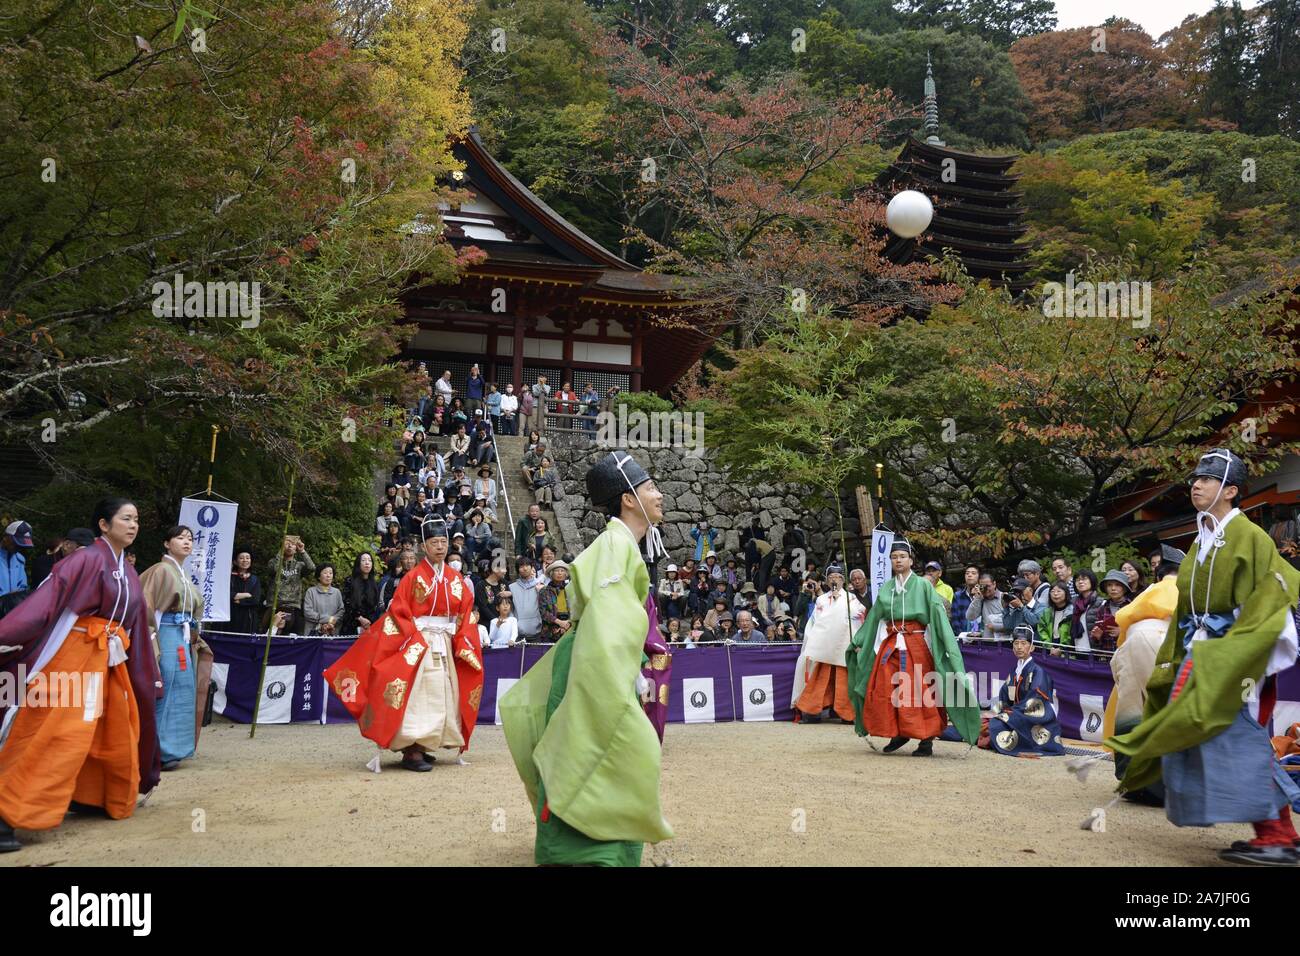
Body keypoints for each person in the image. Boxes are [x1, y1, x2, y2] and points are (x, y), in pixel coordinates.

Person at [1108, 449, 1300, 866]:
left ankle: (1279, 837)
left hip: (1231, 656)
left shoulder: (1252, 537)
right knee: (1211, 736)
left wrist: (1239, 651)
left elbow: (1275, 598)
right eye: (1195, 478)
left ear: (1231, 491)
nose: (1196, 484)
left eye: (1208, 480)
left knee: (1236, 739)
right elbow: (1184, 609)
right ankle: (1276, 832)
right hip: (1202, 652)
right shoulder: (1202, 538)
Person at [501, 450, 674, 866]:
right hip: (597, 663)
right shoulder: (615, 545)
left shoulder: (621, 545)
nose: (660, 495)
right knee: (591, 750)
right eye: (650, 488)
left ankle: (608, 848)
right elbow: (608, 616)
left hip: (600, 659)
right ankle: (588, 854)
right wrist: (624, 671)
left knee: (604, 753)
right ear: (628, 498)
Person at [0, 498, 163, 853]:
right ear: (104, 525)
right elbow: (45, 602)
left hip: (109, 660)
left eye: (136, 519)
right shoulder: (85, 558)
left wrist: (145, 671)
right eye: (125, 518)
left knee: (115, 724)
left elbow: (133, 623)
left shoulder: (128, 570)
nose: (133, 525)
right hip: (75, 655)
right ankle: (7, 810)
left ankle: (94, 795)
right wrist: (6, 633)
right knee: (56, 732)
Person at [325, 516, 484, 772]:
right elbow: (398, 611)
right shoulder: (413, 578)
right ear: (424, 545)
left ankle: (427, 742)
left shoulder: (456, 580)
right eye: (434, 542)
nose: (440, 547)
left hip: (445, 640)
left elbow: (466, 613)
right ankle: (412, 749)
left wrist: (462, 639)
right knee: (418, 694)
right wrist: (415, 637)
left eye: (444, 542)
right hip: (418, 641)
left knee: (444, 692)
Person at [847, 538, 980, 756]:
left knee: (921, 690)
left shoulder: (923, 585)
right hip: (891, 643)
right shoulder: (887, 588)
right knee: (886, 687)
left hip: (916, 642)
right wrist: (859, 641)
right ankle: (898, 732)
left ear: (911, 560)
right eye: (894, 557)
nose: (898, 560)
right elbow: (874, 619)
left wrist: (946, 644)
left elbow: (938, 615)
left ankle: (926, 739)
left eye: (902, 556)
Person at [1105, 549, 1182, 807]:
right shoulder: (1189, 591)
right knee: (1164, 716)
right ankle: (1163, 788)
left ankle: (1132, 783)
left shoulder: (1150, 591)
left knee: (1131, 714)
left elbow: (1123, 623)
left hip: (1133, 644)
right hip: (1165, 646)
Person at [138, 524, 210, 771]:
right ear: (167, 543)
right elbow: (148, 608)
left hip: (182, 636)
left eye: (190, 538)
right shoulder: (161, 570)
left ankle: (175, 749)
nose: (187, 542)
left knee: (183, 689)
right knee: (164, 687)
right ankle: (154, 749)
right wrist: (150, 639)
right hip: (165, 633)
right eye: (180, 538)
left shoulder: (183, 574)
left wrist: (194, 633)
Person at [793, 564, 865, 724]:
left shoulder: (851, 599)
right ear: (826, 580)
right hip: (825, 647)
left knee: (844, 681)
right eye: (831, 577)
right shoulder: (821, 599)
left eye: (838, 577)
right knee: (820, 679)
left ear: (843, 581)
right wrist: (813, 641)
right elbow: (815, 622)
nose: (834, 580)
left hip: (843, 645)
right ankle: (812, 713)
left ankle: (848, 714)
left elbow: (859, 618)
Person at [986, 625, 1064, 756]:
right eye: (1016, 643)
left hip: (1037, 718)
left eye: (1023, 643)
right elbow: (1003, 698)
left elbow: (1035, 703)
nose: (1019, 647)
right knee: (987, 722)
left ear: (1032, 647)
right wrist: (999, 713)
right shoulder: (1014, 673)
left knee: (995, 726)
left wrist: (1007, 716)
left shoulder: (1038, 672)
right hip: (1018, 715)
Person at [269, 536, 315, 635]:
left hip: (293, 606)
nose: (290, 546)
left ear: (296, 549)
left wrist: (302, 551)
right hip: (275, 605)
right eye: (287, 543)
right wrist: (281, 551)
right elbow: (273, 570)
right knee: (272, 635)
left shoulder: (300, 565)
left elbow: (311, 568)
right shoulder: (274, 561)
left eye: (293, 544)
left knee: (290, 636)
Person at [341, 553, 382, 635]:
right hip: (352, 625)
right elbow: (346, 603)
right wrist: (360, 618)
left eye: (369, 561)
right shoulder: (350, 581)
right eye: (363, 560)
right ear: (358, 563)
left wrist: (369, 621)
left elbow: (375, 606)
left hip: (369, 626)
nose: (367, 563)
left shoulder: (374, 583)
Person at [966, 572, 1011, 642]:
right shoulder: (980, 599)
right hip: (987, 643)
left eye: (988, 586)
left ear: (994, 584)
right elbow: (970, 617)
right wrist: (977, 598)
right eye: (982, 586)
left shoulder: (1004, 598)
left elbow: (1013, 623)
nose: (986, 589)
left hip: (1004, 643)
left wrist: (995, 627)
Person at [509, 557, 544, 642]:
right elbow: (510, 609)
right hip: (518, 633)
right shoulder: (511, 587)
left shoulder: (540, 586)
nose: (524, 568)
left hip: (537, 631)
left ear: (532, 567)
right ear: (518, 570)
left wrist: (541, 592)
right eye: (521, 566)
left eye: (527, 565)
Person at [304, 565, 345, 636]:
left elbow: (341, 611)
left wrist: (330, 623)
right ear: (319, 576)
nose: (328, 575)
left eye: (330, 573)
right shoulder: (311, 591)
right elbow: (308, 612)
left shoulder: (337, 592)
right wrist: (329, 619)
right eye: (325, 573)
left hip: (331, 631)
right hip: (313, 633)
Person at [538, 560, 573, 642]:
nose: (560, 573)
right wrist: (560, 623)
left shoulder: (570, 590)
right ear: (552, 574)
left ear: (566, 574)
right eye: (557, 571)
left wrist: (567, 624)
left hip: (568, 628)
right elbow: (543, 612)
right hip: (550, 632)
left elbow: (575, 608)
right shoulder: (544, 591)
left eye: (562, 571)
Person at [1036, 581, 1074, 656]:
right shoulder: (1047, 612)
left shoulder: (1072, 611)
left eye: (1059, 591)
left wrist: (1062, 648)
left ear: (1066, 593)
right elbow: (1042, 630)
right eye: (1052, 591)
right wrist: (1048, 646)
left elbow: (1072, 634)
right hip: (1050, 646)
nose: (1055, 594)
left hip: (1068, 650)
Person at [229, 550, 262, 635]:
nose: (245, 560)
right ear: (235, 561)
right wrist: (246, 595)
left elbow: (255, 599)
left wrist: (239, 601)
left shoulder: (254, 579)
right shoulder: (230, 577)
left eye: (248, 558)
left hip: (248, 617)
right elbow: (227, 595)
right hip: (232, 615)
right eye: (241, 558)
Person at [1071, 570, 1104, 651]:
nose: (1080, 582)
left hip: (1095, 650)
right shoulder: (1072, 603)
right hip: (1077, 648)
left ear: (1092, 581)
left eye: (1084, 579)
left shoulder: (1101, 603)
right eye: (1078, 580)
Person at [0, 520, 33, 604]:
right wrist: (6, 598)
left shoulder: (20, 559)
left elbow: (23, 587)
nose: (18, 548)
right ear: (6, 537)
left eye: (21, 545)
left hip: (13, 612)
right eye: (16, 543)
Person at [950, 565, 978, 635]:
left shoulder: (984, 595)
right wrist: (962, 635)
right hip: (963, 637)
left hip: (982, 637)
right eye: (967, 573)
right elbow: (955, 619)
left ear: (979, 577)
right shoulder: (958, 596)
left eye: (973, 573)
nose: (969, 575)